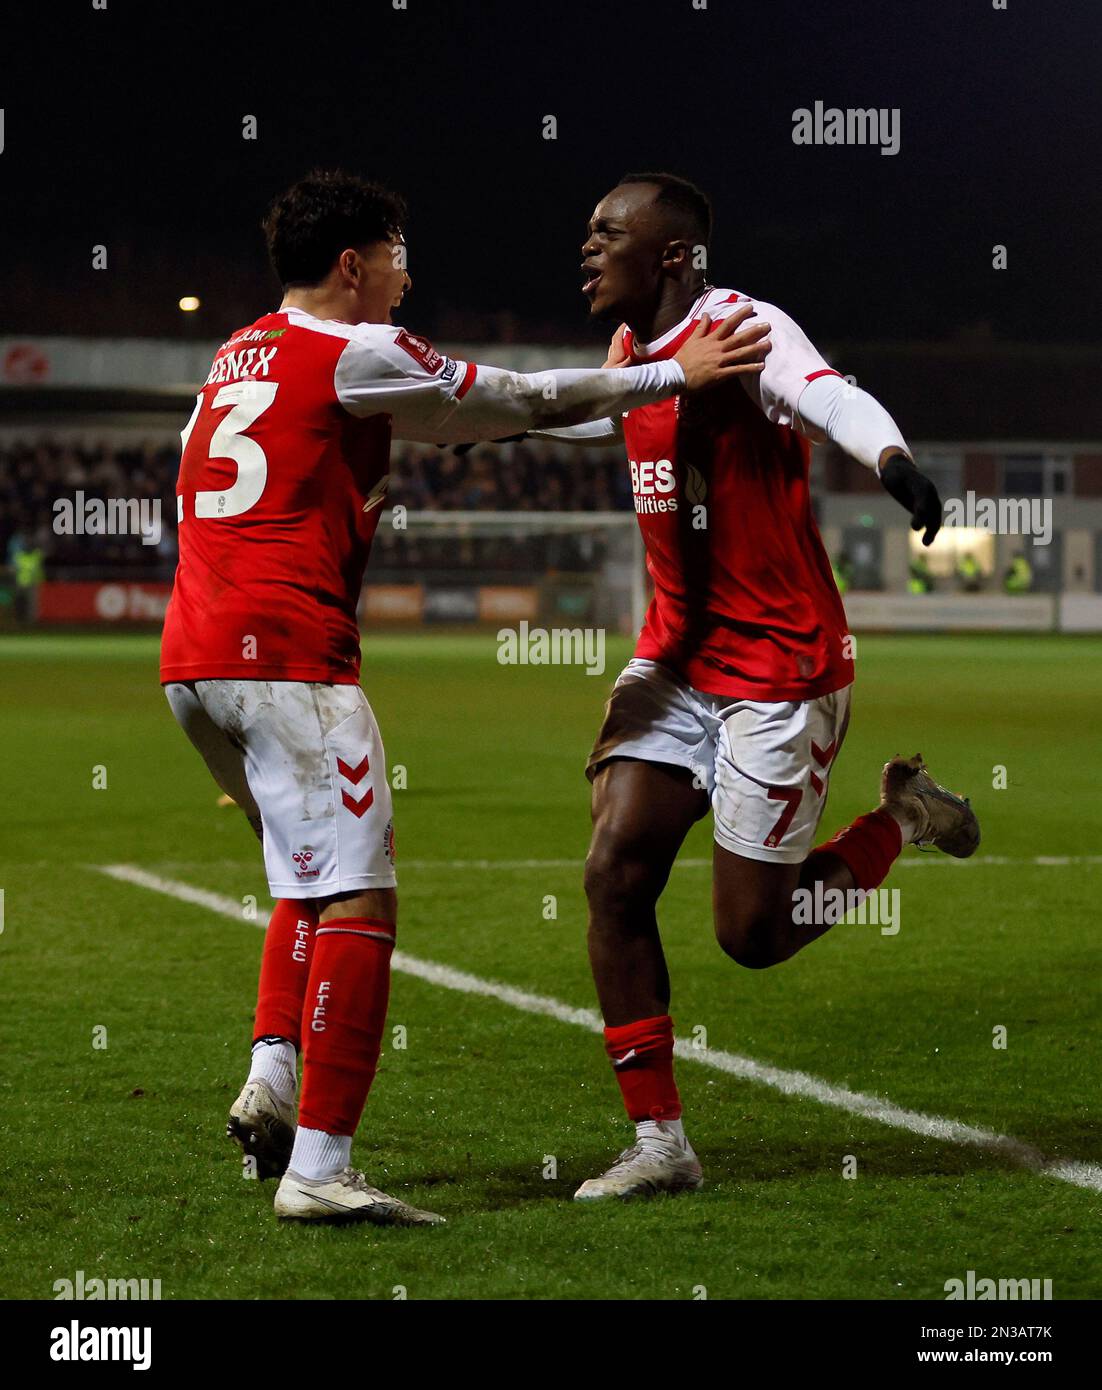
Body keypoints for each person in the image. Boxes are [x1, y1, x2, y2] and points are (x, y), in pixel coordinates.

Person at [159, 169, 771, 1225]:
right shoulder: (355, 349)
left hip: (192, 663)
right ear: (353, 264)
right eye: (396, 252)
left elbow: (466, 431)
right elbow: (520, 401)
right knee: (360, 899)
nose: (408, 273)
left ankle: (271, 1069)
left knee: (306, 875)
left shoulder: (235, 355)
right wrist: (670, 377)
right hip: (290, 662)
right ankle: (320, 1168)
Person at [540, 172, 980, 1200]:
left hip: (778, 671)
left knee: (753, 934)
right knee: (613, 871)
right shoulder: (627, 357)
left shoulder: (737, 324)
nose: (588, 246)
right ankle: (659, 1145)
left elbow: (824, 391)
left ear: (677, 257)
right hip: (676, 662)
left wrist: (891, 458)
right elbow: (546, 408)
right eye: (589, 227)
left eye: (610, 231)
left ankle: (898, 823)